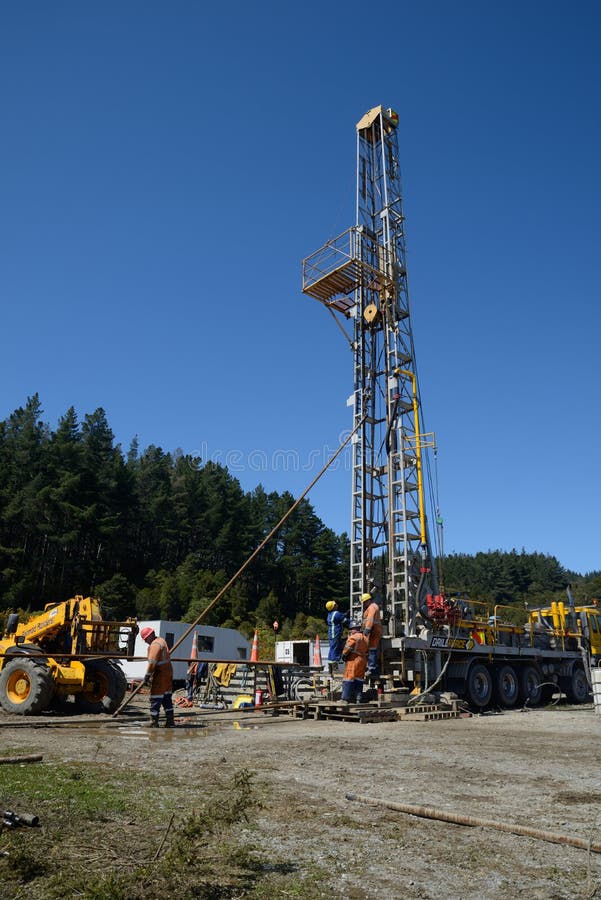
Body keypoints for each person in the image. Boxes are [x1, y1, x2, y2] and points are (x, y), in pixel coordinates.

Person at [140, 626, 174, 727]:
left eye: (146, 639)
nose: (146, 641)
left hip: (161, 673)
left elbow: (152, 663)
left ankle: (154, 722)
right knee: (167, 698)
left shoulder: (155, 645)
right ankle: (170, 722)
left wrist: (147, 676)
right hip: (168, 672)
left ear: (150, 635)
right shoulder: (161, 641)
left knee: (156, 697)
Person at [340, 620, 369, 703]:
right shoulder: (365, 638)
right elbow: (367, 651)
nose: (351, 631)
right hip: (362, 660)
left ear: (355, 629)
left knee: (348, 678)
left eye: (351, 629)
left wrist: (344, 655)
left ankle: (345, 699)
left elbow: (347, 648)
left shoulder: (353, 637)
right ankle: (358, 699)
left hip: (353, 660)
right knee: (359, 679)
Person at [361, 592, 382, 679]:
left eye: (365, 602)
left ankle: (372, 668)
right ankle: (371, 667)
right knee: (370, 650)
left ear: (368, 600)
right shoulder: (372, 607)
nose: (364, 604)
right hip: (373, 631)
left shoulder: (372, 607)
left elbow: (370, 619)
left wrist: (367, 629)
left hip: (373, 631)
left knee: (372, 650)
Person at [326, 600, 349, 665]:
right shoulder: (336, 613)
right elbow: (345, 621)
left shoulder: (330, 614)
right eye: (335, 604)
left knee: (332, 648)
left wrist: (344, 614)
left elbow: (337, 617)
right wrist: (353, 622)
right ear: (333, 607)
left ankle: (331, 663)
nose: (336, 605)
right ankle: (335, 664)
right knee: (336, 648)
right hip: (335, 633)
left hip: (331, 634)